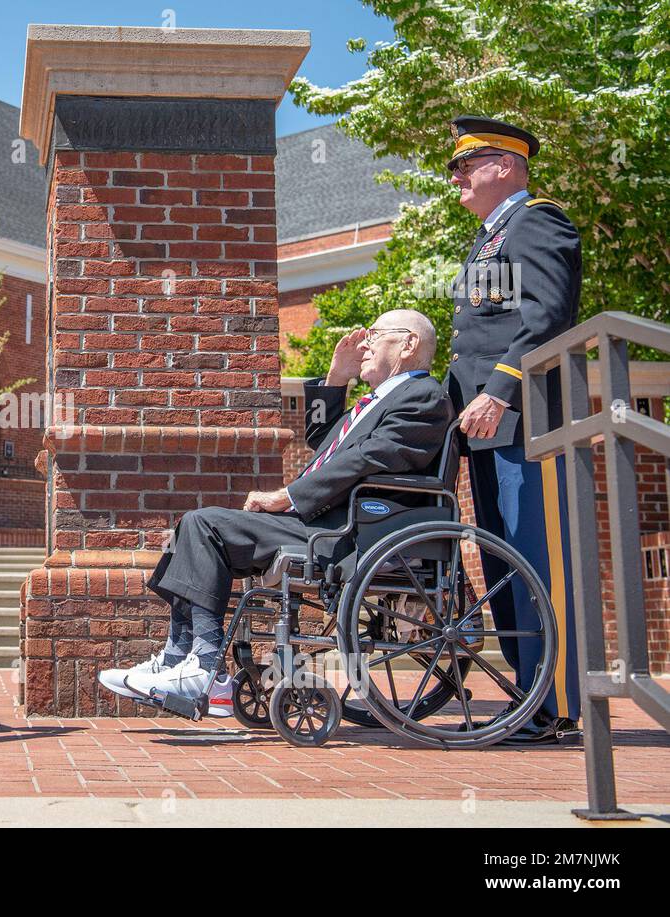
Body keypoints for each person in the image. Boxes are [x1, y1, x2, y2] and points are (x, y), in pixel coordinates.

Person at [99, 310, 452, 712]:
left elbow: (368, 459)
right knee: (190, 528)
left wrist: (287, 495)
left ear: (408, 345)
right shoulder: (377, 401)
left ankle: (205, 667)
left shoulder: (423, 396)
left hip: (353, 532)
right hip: (320, 523)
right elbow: (325, 445)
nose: (366, 342)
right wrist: (336, 380)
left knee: (204, 525)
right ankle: (180, 658)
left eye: (376, 334)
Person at [445, 115, 582, 745]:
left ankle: (552, 702)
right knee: (503, 560)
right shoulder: (487, 240)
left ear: (505, 165)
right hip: (486, 426)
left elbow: (547, 315)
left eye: (466, 164)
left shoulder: (537, 220)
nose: (457, 177)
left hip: (522, 416)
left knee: (532, 556)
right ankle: (529, 698)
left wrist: (500, 389)